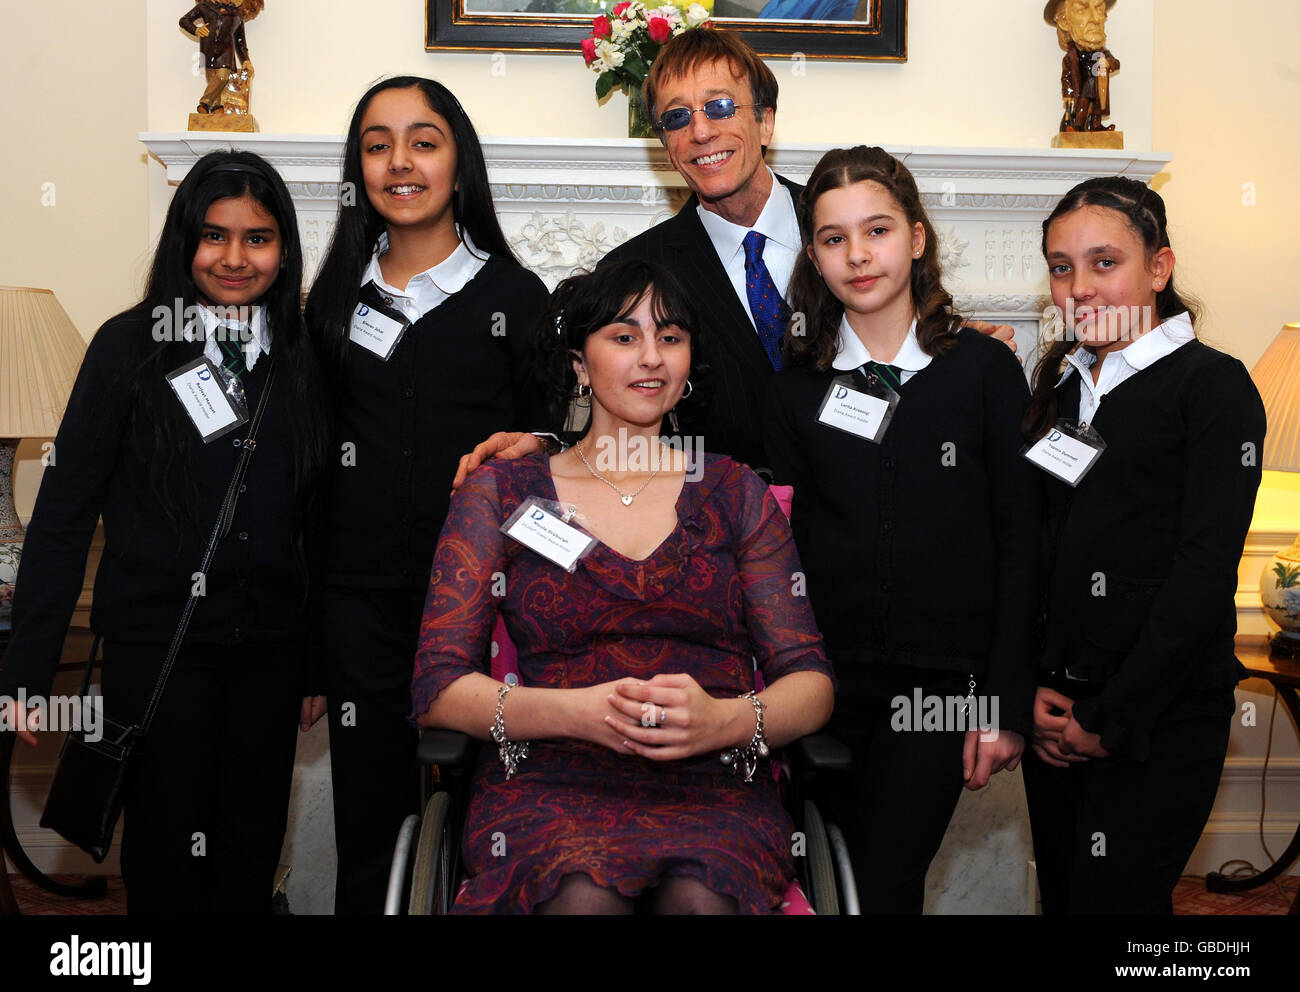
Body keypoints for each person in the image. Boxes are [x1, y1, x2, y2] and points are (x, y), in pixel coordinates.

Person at [413, 258, 835, 914]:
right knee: (583, 895)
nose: (651, 357)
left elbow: (810, 682)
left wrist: (724, 722)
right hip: (550, 777)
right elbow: (438, 687)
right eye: (623, 336)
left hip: (714, 782)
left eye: (670, 337)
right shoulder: (502, 492)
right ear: (579, 363)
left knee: (701, 895)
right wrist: (579, 714)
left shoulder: (735, 493)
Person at [453, 29, 1016, 484]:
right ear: (665, 144)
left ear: (765, 120)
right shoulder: (637, 271)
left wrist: (953, 346)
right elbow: (608, 403)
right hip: (713, 540)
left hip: (863, 521)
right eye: (677, 117)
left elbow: (913, 338)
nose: (700, 131)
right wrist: (548, 444)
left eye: (720, 106)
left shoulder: (846, 226)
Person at [0, 150, 330, 914]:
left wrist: (317, 660)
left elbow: (320, 519)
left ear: (284, 251)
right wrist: (26, 670)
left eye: (257, 238)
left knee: (249, 852)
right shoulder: (127, 347)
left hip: (270, 653)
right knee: (163, 854)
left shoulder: (307, 354)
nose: (235, 257)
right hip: (157, 648)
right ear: (185, 241)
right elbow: (63, 515)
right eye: (214, 235)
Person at [763, 146, 1040, 914]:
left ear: (917, 238)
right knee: (822, 883)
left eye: (877, 230)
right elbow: (778, 552)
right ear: (813, 255)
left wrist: (1004, 700)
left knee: (883, 885)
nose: (857, 254)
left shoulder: (983, 370)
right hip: (818, 684)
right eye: (833, 238)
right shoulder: (796, 389)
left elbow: (1021, 539)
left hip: (940, 688)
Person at [304, 76, 548, 914]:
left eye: (423, 141)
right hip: (358, 605)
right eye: (377, 145)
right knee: (369, 824)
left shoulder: (516, 298)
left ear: (458, 161)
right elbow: (308, 476)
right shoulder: (333, 301)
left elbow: (554, 449)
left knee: (490, 822)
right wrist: (312, 643)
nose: (399, 162)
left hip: (483, 604)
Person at [1020, 177, 1266, 915]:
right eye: (1061, 267)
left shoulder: (1213, 387)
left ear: (1158, 268)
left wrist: (1110, 717)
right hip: (1055, 710)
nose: (1079, 288)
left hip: (1159, 717)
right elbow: (1033, 547)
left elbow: (1202, 574)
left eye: (1105, 262)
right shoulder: (1060, 387)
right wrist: (1032, 687)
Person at [1044, 0, 1120, 133]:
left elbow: (1115, 63)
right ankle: (1078, 125)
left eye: (1099, 9)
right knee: (1083, 104)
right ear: (1064, 22)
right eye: (1082, 10)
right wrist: (1068, 94)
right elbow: (1066, 76)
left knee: (1097, 107)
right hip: (1085, 87)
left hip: (1098, 85)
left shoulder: (1101, 53)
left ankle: (1096, 126)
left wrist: (1107, 63)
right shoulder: (1072, 56)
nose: (1095, 19)